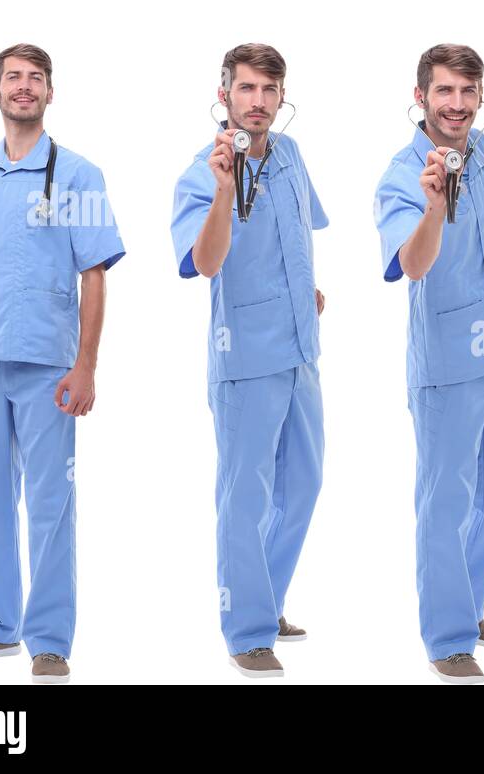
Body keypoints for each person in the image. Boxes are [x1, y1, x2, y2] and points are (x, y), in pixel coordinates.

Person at [0, 43, 126, 684]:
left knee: (49, 504)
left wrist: (86, 365)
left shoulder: (78, 176)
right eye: (13, 77)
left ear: (49, 93)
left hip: (47, 367)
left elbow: (95, 274)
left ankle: (49, 640)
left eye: (36, 78)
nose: (24, 87)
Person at [171, 43, 328, 679]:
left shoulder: (289, 156)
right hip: (245, 362)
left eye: (269, 89)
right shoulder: (200, 172)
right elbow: (205, 263)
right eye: (247, 89)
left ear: (281, 97)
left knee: (304, 484)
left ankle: (267, 598)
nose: (258, 101)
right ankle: (246, 629)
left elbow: (295, 232)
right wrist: (220, 193)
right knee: (244, 497)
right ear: (224, 96)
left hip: (299, 352)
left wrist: (304, 287)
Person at [373, 43, 484, 685]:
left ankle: (468, 603)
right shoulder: (401, 174)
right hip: (446, 361)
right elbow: (411, 263)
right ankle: (447, 637)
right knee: (445, 501)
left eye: (468, 92)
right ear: (421, 98)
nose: (457, 105)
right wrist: (433, 206)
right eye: (445, 92)